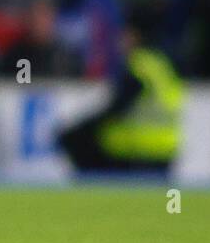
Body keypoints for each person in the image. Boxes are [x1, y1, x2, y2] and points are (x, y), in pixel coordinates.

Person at [57, 18, 182, 176]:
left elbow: (120, 105)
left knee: (73, 138)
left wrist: (82, 127)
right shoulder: (162, 64)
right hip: (166, 150)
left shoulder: (138, 64)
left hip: (137, 151)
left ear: (135, 36)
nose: (117, 41)